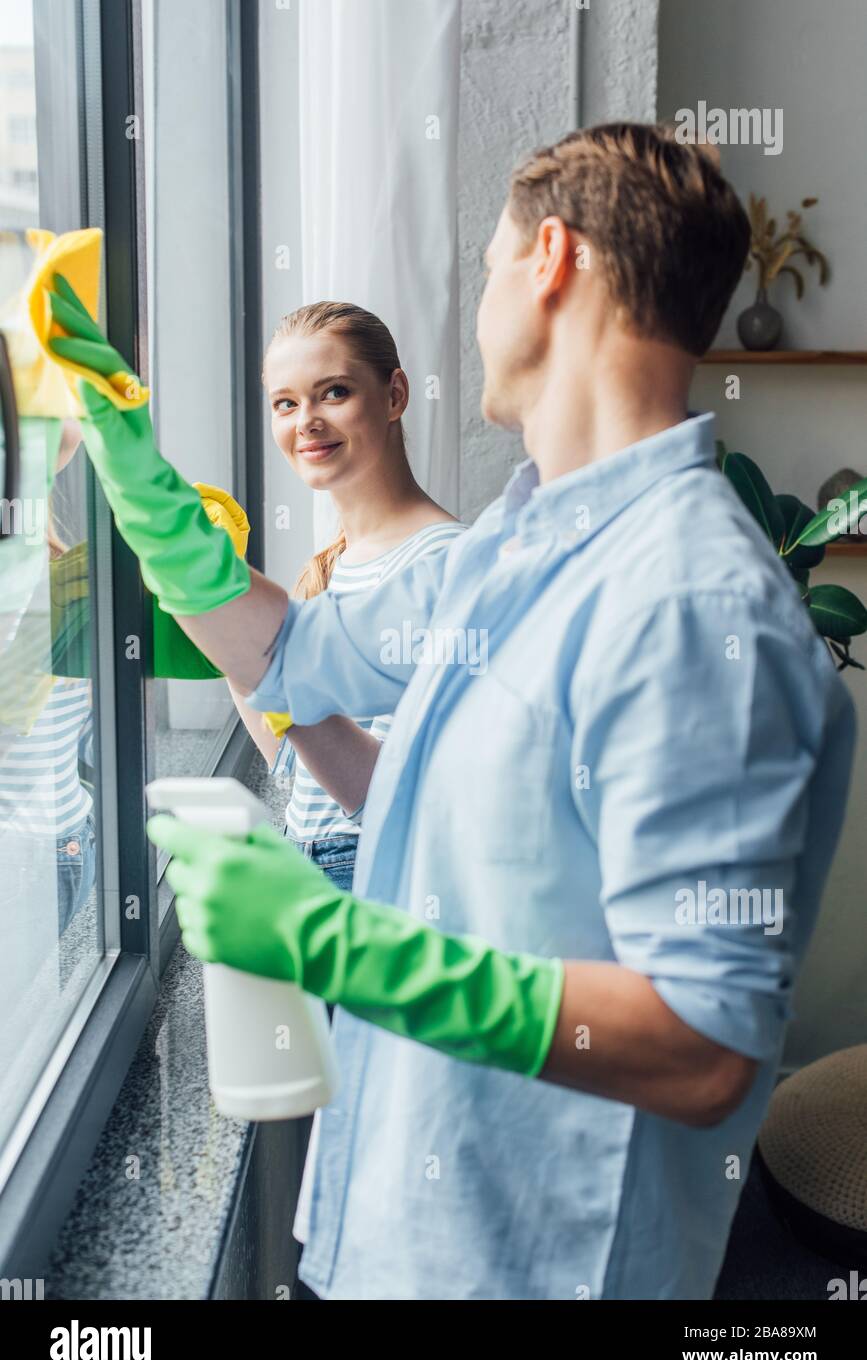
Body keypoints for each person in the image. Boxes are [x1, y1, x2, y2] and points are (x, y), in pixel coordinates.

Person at [46, 123, 855, 1300]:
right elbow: (289, 656)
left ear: (554, 260)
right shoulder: (512, 555)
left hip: (532, 1268)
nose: (478, 303)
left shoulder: (689, 604)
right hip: (410, 1241)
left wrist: (339, 946)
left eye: (486, 265)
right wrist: (128, 460)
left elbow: (707, 1045)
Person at [229, 302, 463, 896]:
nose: (305, 420)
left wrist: (267, 653)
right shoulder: (336, 563)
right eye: (286, 402)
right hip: (308, 861)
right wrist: (229, 635)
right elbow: (298, 768)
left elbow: (391, 793)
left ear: (395, 395)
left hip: (375, 873)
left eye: (333, 392)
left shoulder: (442, 561)